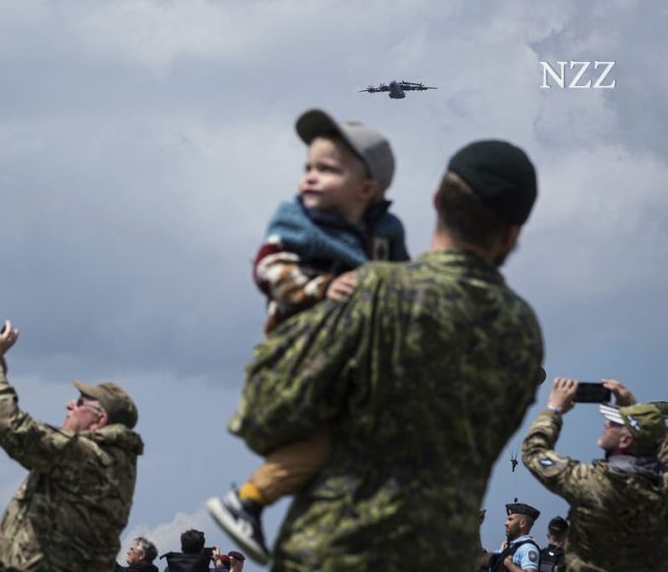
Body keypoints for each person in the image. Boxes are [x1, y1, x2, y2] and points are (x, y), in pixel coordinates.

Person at [228, 139, 544, 571]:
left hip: (336, 551)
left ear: (436, 201)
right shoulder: (523, 331)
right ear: (511, 233)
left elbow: (263, 413)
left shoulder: (374, 289)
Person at [208, 108, 408, 563]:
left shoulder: (385, 233)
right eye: (308, 168)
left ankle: (261, 505)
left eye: (328, 169)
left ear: (367, 190)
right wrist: (320, 286)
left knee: (334, 449)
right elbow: (268, 268)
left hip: (354, 365)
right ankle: (249, 500)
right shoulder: (296, 221)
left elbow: (404, 282)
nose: (311, 179)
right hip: (301, 354)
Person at [0, 321, 144, 571]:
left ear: (99, 420)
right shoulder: (111, 460)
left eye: (81, 402)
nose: (70, 404)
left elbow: (12, 426)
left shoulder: (88, 457)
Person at [522, 377, 668, 571]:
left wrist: (554, 409)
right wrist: (636, 411)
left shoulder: (590, 483)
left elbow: (534, 452)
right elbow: (660, 451)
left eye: (615, 423)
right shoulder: (662, 492)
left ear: (625, 441)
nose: (607, 423)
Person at [480, 503, 541, 572]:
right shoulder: (508, 547)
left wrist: (510, 565)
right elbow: (480, 560)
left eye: (510, 519)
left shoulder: (527, 548)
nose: (506, 523)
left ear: (522, 523)